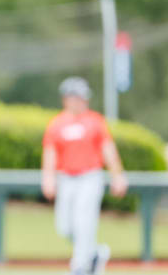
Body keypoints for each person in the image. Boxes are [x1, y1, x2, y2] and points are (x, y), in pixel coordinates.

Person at [41, 76, 128, 275]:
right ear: (67, 99)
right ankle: (94, 253)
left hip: (90, 178)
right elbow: (50, 154)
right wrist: (48, 178)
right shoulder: (56, 124)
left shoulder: (95, 121)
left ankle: (79, 267)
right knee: (64, 226)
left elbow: (108, 150)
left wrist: (118, 176)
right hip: (66, 179)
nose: (81, 101)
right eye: (77, 97)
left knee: (84, 221)